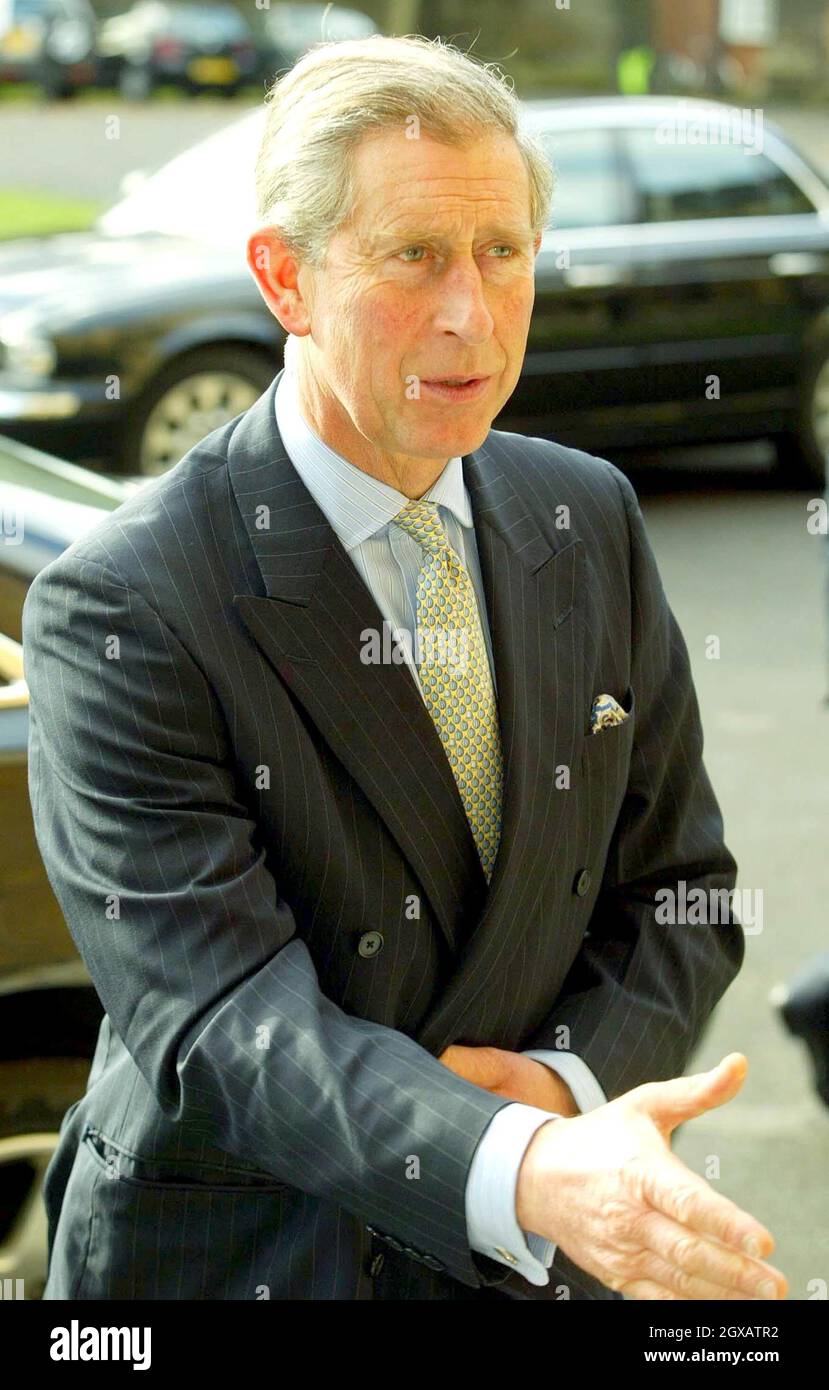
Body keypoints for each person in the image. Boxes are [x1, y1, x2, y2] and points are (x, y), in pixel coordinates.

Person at [23, 33, 788, 1302]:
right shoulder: (127, 599)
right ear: (284, 279)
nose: (470, 316)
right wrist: (520, 1161)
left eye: (502, 254)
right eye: (412, 256)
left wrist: (559, 1092)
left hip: (544, 1258)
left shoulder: (584, 511)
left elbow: (679, 891)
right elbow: (222, 1024)